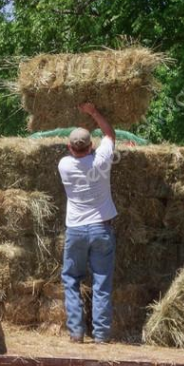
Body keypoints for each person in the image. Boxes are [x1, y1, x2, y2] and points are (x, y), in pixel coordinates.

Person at [58, 103, 118, 343]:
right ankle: (101, 336)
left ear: (69, 148)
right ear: (91, 146)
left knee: (71, 279)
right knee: (102, 281)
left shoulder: (64, 165)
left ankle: (76, 332)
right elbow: (109, 134)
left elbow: (83, 144)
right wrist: (93, 112)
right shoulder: (101, 160)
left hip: (76, 231)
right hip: (102, 228)